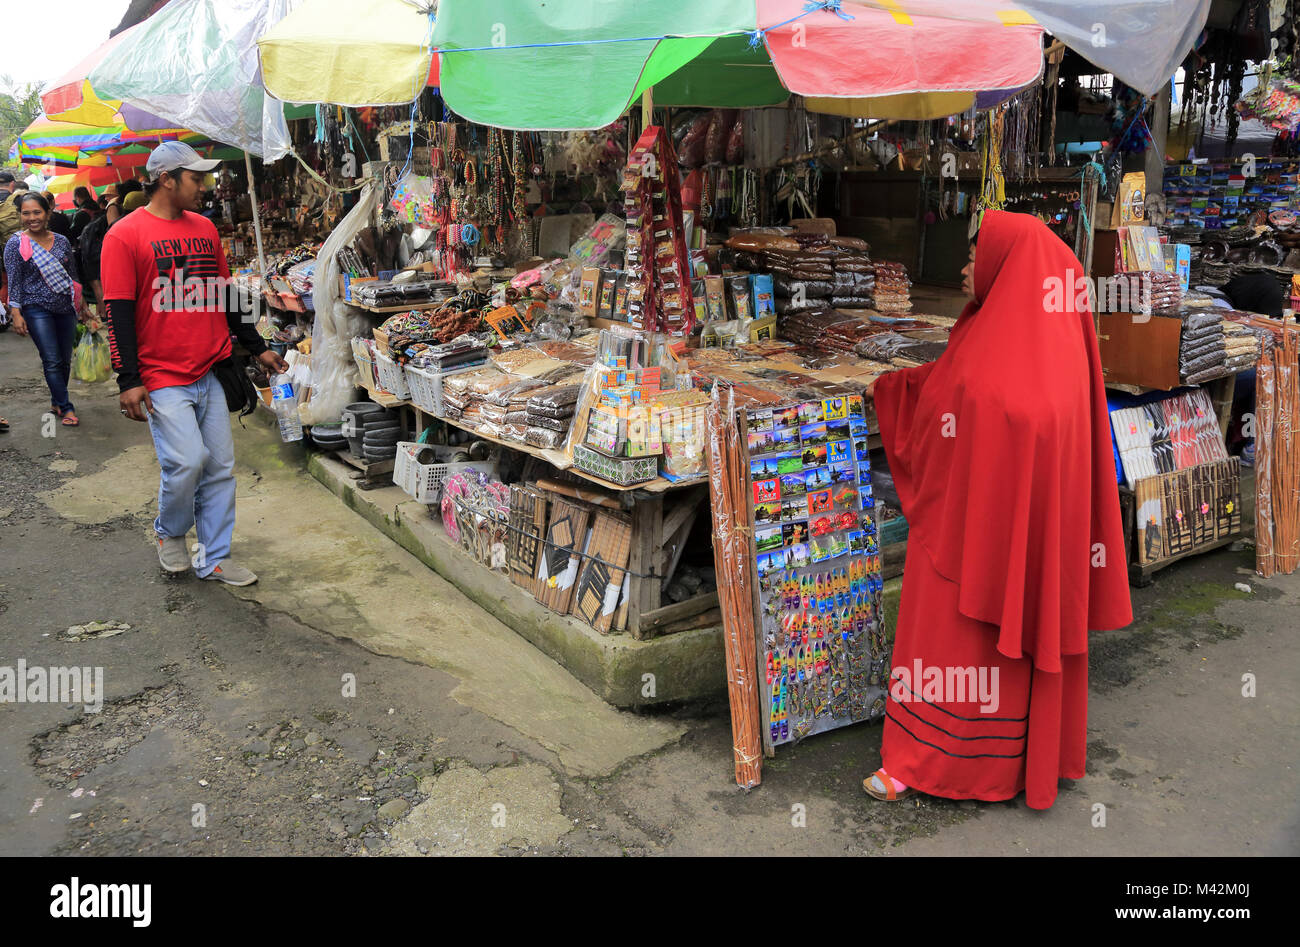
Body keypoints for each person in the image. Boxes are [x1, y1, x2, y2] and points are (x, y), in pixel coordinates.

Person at [863, 210, 1132, 810]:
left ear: (1008, 266)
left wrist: (892, 393)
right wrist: (912, 386)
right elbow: (965, 391)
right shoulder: (1049, 340)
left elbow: (960, 402)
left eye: (976, 257)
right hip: (1027, 543)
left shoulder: (1001, 355)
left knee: (946, 641)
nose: (964, 270)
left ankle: (924, 761)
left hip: (964, 537)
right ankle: (1018, 762)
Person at [102, 141, 287, 586]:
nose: (203, 186)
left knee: (220, 467)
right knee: (187, 462)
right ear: (167, 180)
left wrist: (255, 344)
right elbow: (119, 314)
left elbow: (225, 293)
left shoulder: (204, 229)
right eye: (195, 178)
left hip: (210, 368)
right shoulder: (123, 236)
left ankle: (215, 557)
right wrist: (128, 379)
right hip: (161, 374)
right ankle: (169, 531)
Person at [4, 192, 91, 426]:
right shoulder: (15, 244)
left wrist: (82, 306)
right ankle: (66, 407)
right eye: (26, 213)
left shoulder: (61, 241)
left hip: (65, 307)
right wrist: (16, 313)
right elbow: (14, 281)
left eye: (37, 212)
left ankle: (56, 399)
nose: (32, 218)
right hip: (36, 308)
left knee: (64, 360)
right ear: (20, 215)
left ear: (47, 213)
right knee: (51, 359)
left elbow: (72, 276)